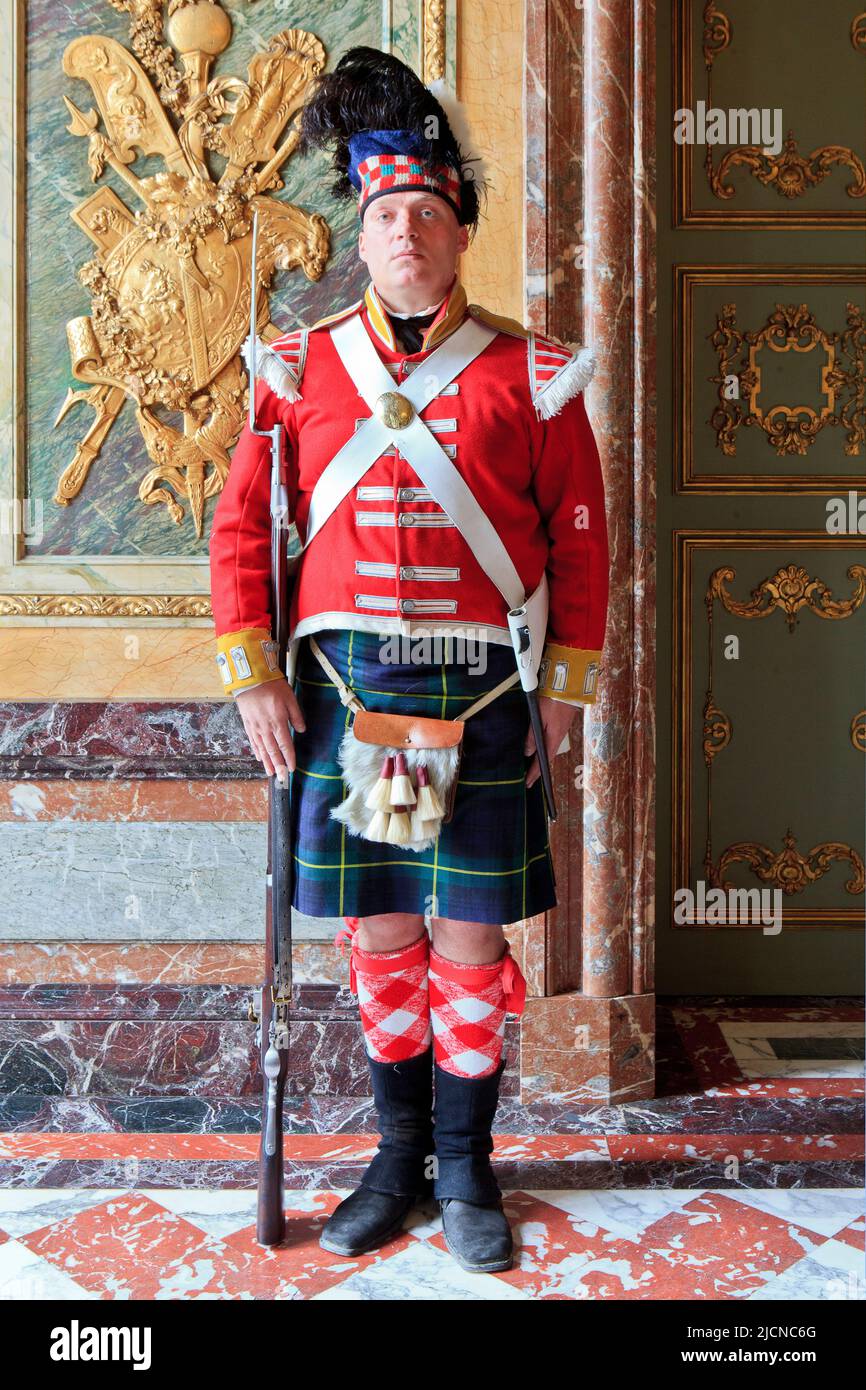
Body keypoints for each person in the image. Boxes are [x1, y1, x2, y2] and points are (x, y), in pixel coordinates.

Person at [208, 46, 609, 1275]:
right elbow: (238, 529)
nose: (404, 235)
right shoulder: (297, 369)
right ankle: (392, 1162)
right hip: (345, 696)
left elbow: (584, 551)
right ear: (361, 233)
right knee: (382, 936)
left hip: (483, 697)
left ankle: (466, 1162)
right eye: (384, 214)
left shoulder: (534, 375)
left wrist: (565, 695)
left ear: (456, 232)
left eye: (426, 213)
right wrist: (254, 675)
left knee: (472, 939)